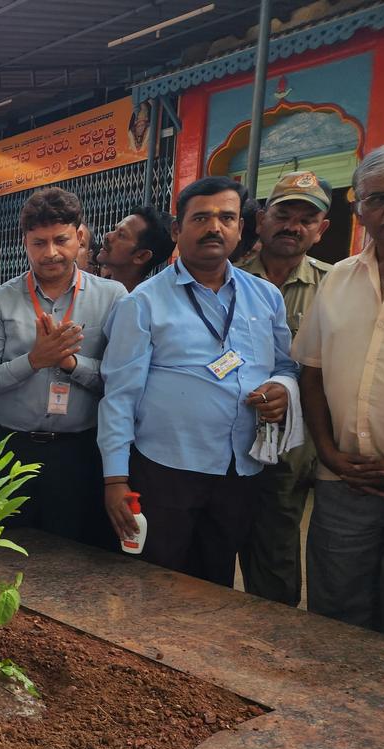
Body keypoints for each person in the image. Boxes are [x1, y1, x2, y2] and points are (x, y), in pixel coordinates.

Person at [100, 176, 298, 586]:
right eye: (201, 218)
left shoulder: (266, 297)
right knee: (154, 582)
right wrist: (116, 479)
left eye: (227, 218)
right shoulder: (143, 302)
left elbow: (285, 365)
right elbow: (119, 395)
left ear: (240, 229)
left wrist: (282, 388)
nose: (214, 228)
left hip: (239, 470)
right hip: (166, 470)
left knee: (216, 584)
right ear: (177, 230)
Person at [0, 188, 126, 549]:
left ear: (80, 236)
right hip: (10, 451)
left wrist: (71, 364)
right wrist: (34, 361)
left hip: (80, 453)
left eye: (61, 240)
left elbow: (121, 381)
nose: (51, 252)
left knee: (79, 559)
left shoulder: (113, 297)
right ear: (24, 242)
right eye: (39, 243)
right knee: (7, 555)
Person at [292, 144, 384, 634]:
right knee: (335, 619)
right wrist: (329, 453)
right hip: (342, 482)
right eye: (378, 198)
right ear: (360, 211)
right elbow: (311, 373)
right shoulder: (337, 279)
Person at [237, 172, 333, 606]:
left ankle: (269, 638)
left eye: (306, 219)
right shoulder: (227, 278)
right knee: (212, 544)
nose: (293, 226)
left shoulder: (334, 285)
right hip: (226, 441)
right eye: (283, 215)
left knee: (275, 553)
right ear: (261, 220)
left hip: (292, 450)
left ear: (321, 229)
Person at [97, 206, 175, 293]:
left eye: (121, 235)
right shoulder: (92, 290)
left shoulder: (148, 300)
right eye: (115, 229)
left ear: (141, 256)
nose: (108, 235)